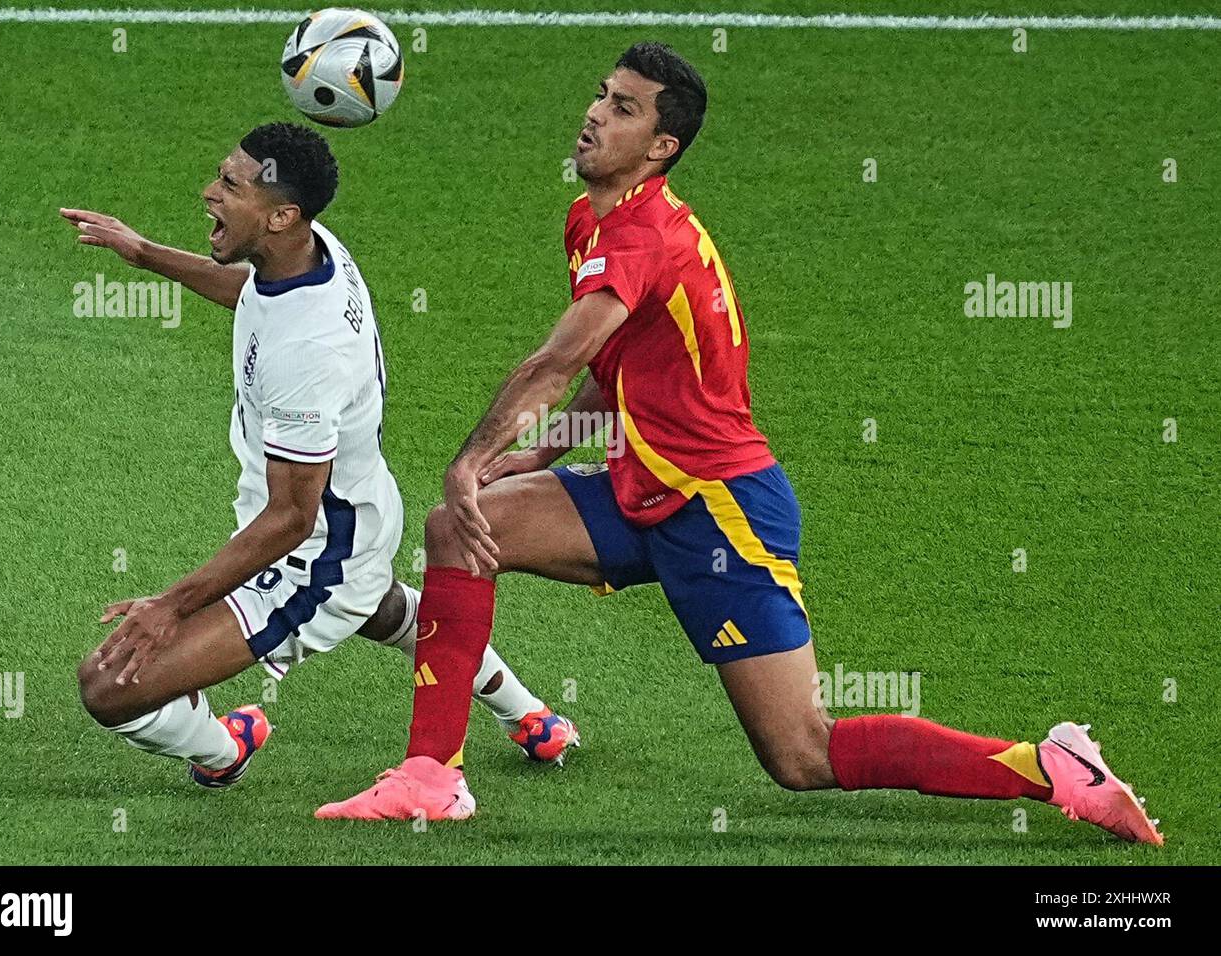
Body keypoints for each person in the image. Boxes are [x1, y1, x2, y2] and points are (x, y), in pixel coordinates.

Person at [313, 45, 1161, 846]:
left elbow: (557, 357)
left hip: (723, 511)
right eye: (601, 96)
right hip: (640, 488)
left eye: (623, 108)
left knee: (801, 755)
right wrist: (540, 456)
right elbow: (611, 373)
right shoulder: (593, 221)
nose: (594, 115)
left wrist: (471, 459)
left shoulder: (644, 238)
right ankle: (432, 775)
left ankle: (1048, 768)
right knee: (457, 528)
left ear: (662, 145)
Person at [63, 122, 577, 789]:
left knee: (108, 686)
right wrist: (144, 253)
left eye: (229, 186)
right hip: (356, 510)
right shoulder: (307, 251)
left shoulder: (309, 355)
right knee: (384, 609)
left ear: (281, 216)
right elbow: (249, 294)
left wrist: (170, 604)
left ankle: (224, 749)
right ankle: (531, 716)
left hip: (313, 553)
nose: (208, 193)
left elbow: (290, 520)